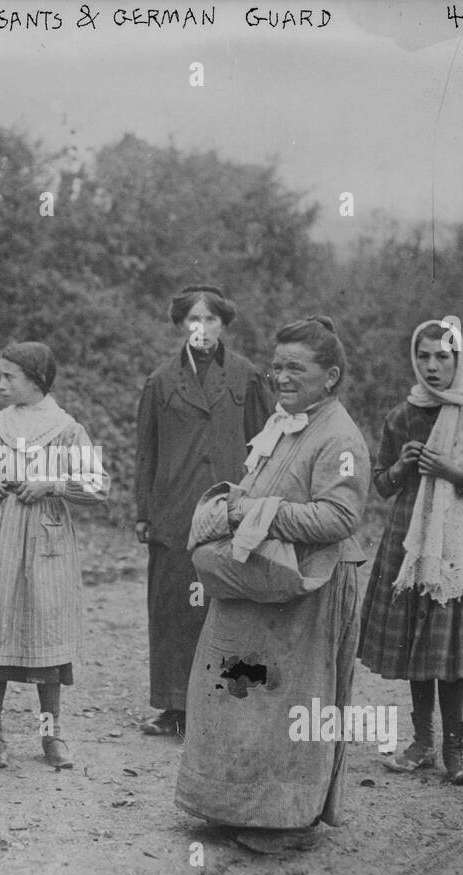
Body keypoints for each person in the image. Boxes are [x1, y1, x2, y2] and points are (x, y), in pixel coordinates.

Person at [175, 316, 369, 852]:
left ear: (330, 377)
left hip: (306, 589)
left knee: (288, 706)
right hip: (257, 582)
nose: (281, 377)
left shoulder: (339, 437)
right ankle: (229, 805)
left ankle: (286, 821)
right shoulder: (286, 423)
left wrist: (251, 513)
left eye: (296, 368)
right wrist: (241, 506)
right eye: (277, 365)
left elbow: (338, 519)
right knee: (237, 694)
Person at [358, 319, 463, 784]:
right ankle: (422, 741)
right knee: (415, 635)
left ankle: (455, 747)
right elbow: (382, 485)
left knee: (446, 640)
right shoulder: (402, 415)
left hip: (460, 536)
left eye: (442, 357)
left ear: (458, 360)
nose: (432, 366)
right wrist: (404, 467)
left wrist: (455, 473)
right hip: (411, 534)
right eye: (424, 356)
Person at [135, 284, 269, 736]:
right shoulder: (160, 381)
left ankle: (229, 701)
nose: (202, 328)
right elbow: (146, 453)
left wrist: (257, 505)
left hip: (230, 509)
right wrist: (144, 512)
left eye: (210, 319)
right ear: (180, 326)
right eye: (193, 319)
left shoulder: (247, 377)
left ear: (224, 324)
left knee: (229, 605)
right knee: (174, 605)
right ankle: (175, 706)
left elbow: (263, 445)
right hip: (175, 512)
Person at [0, 342, 110, 770]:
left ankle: (51, 734)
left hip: (47, 541)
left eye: (9, 377)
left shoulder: (65, 429)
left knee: (47, 639)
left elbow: (99, 486)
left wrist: (53, 484)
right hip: (1, 538)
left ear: (36, 380)